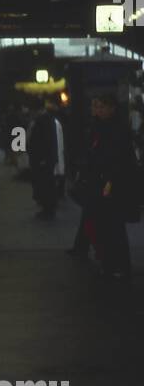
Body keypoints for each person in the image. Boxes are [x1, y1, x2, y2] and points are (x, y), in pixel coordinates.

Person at [82, 93, 137, 280]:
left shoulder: (116, 129)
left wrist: (111, 180)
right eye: (98, 107)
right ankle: (110, 263)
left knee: (114, 227)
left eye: (103, 107)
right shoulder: (101, 126)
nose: (100, 111)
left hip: (112, 182)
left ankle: (118, 265)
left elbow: (119, 158)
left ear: (112, 108)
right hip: (100, 181)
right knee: (105, 227)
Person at [26, 99, 60, 217]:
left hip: (43, 159)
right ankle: (47, 208)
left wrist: (43, 159)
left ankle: (48, 209)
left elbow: (45, 141)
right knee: (45, 183)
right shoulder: (46, 119)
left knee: (45, 184)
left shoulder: (43, 120)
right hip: (44, 158)